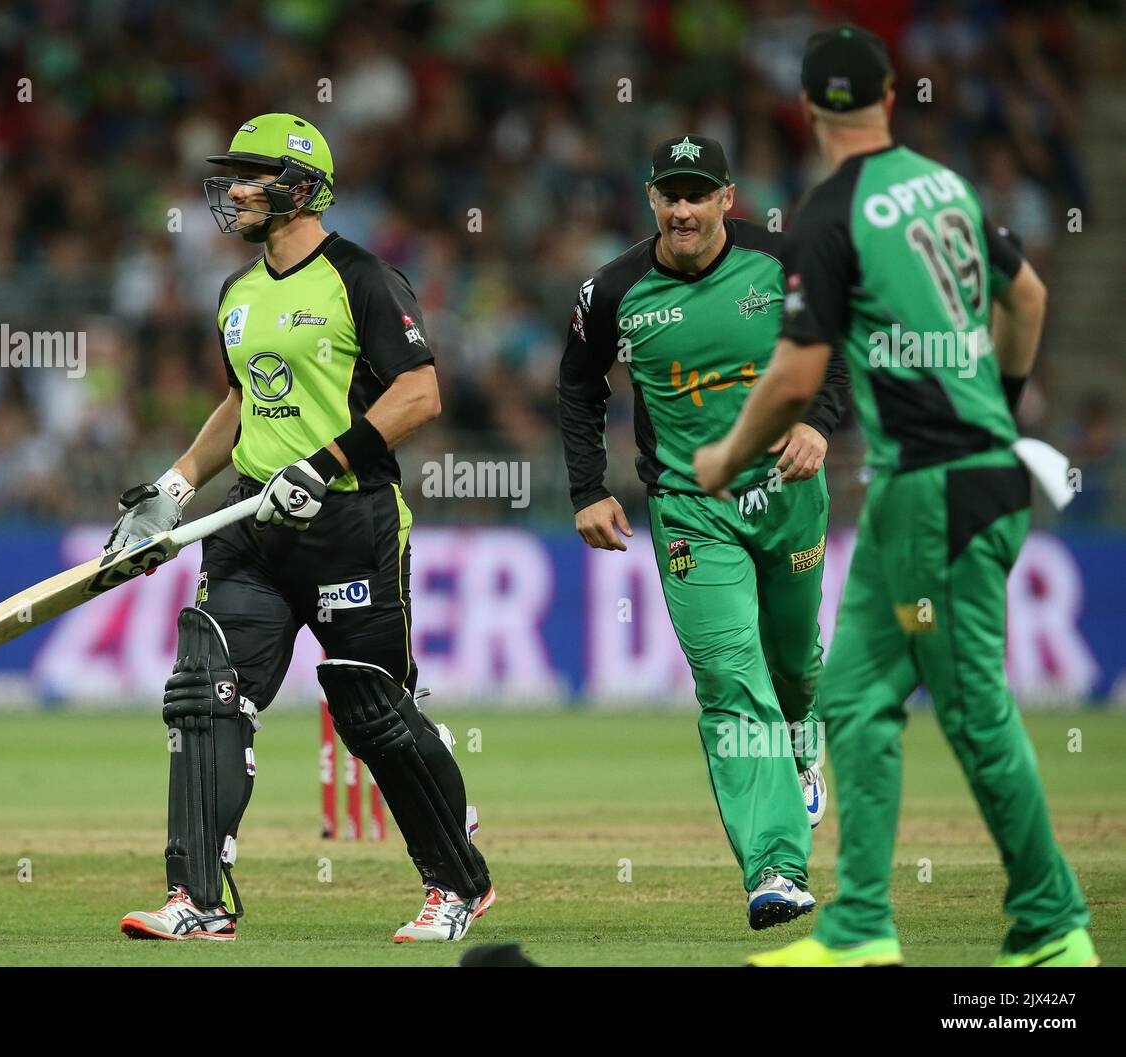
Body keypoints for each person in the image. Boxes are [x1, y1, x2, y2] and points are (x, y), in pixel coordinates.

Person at [694, 26, 1097, 967]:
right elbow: (1028, 295)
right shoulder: (943, 183)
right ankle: (861, 927)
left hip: (935, 491)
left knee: (973, 711)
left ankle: (1052, 922)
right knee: (852, 695)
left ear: (806, 109)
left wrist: (723, 459)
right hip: (941, 480)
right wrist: (995, 407)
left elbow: (797, 377)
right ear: (888, 94)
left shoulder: (828, 214)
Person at [112, 113, 494, 943]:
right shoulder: (237, 293)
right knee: (205, 699)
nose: (234, 191)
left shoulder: (362, 278)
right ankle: (198, 899)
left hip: (349, 521)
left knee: (373, 711)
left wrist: (322, 463)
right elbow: (241, 403)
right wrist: (174, 489)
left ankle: (458, 883)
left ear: (299, 187)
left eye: (251, 175)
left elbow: (420, 393)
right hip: (250, 528)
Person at [557, 134, 849, 930]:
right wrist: (588, 488)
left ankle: (803, 741)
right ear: (651, 198)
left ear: (728, 196)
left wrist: (819, 424)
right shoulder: (611, 290)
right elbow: (578, 388)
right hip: (692, 509)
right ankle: (777, 868)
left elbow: (834, 351)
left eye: (698, 193)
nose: (682, 209)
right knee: (730, 685)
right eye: (668, 194)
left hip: (789, 491)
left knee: (793, 666)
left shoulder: (785, 263)